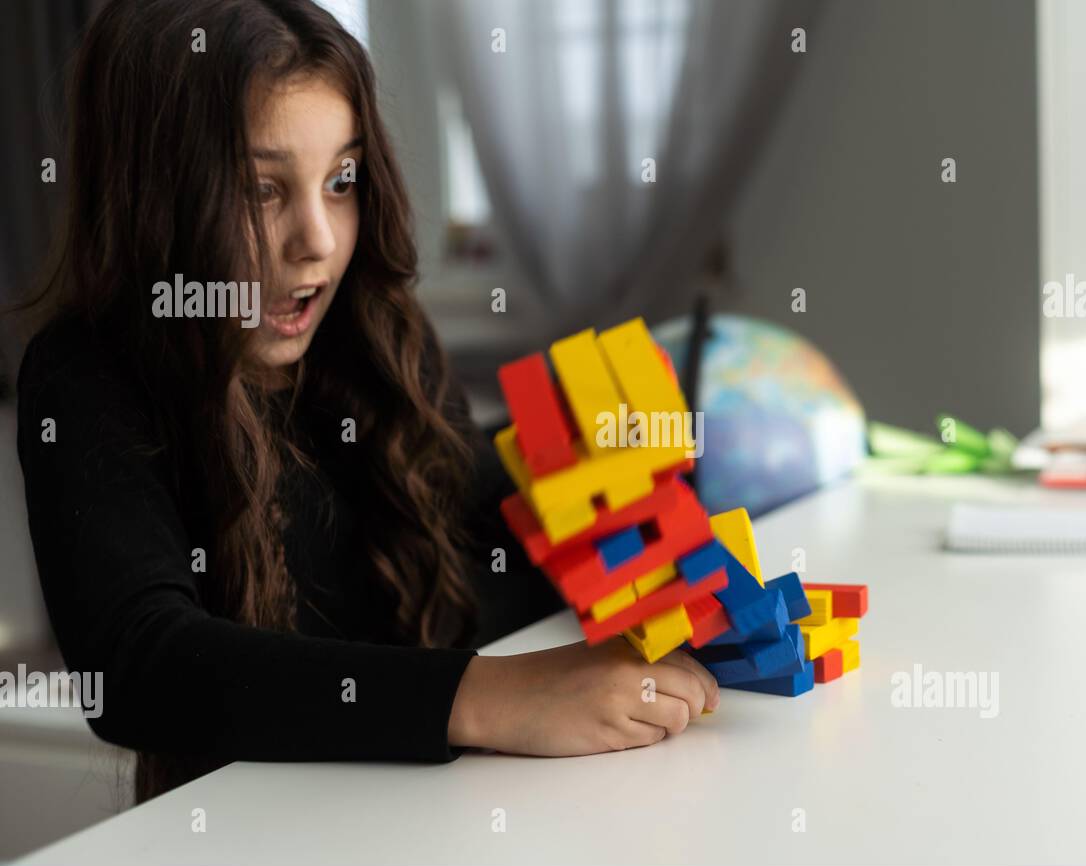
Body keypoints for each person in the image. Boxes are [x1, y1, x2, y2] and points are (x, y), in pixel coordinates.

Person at [13, 0, 718, 804]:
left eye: (341, 179)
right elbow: (141, 664)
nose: (316, 237)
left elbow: (464, 509)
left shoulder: (379, 337)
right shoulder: (84, 377)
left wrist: (646, 499)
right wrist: (490, 696)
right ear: (153, 199)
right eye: (258, 191)